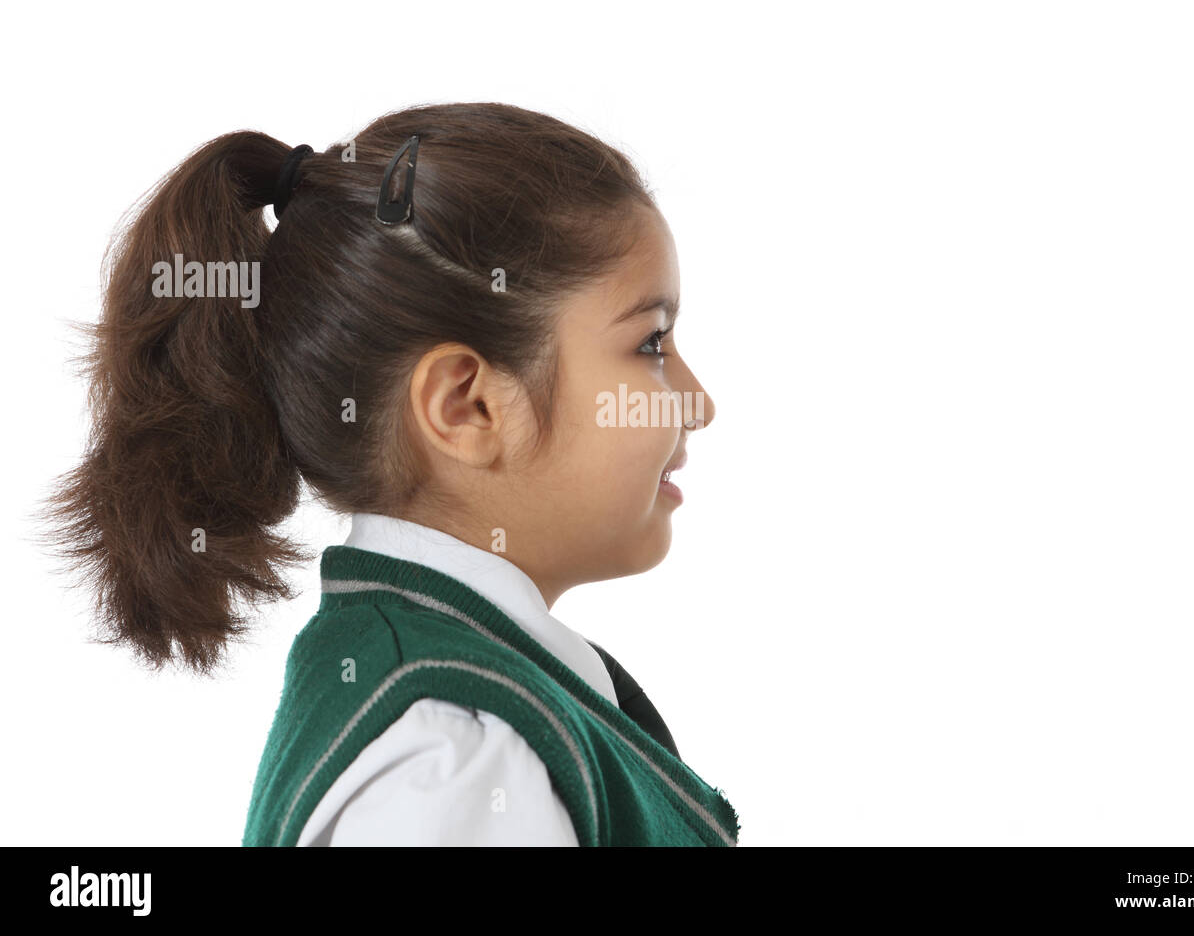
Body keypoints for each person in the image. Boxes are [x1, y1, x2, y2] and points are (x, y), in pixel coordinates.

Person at [42, 102, 740, 846]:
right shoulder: (460, 759)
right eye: (651, 343)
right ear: (467, 406)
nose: (699, 402)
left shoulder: (465, 700)